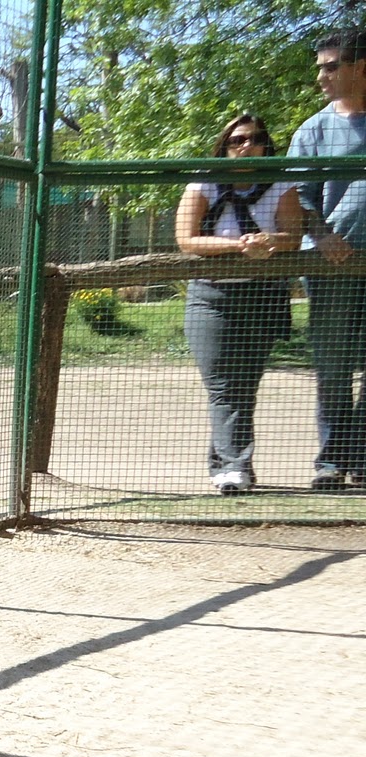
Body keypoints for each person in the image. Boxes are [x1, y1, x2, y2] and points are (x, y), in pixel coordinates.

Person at [174, 113, 302, 495]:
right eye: (238, 140)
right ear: (225, 146)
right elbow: (186, 239)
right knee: (222, 385)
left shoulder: (281, 183)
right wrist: (240, 246)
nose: (247, 145)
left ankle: (224, 464)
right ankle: (236, 467)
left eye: (256, 138)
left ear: (267, 145)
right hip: (209, 297)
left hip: (263, 295)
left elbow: (293, 236)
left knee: (244, 385)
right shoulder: (204, 181)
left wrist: (271, 242)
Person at [289, 28, 366, 490]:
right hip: (333, 267)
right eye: (320, 66)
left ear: (361, 67)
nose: (321, 76)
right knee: (334, 365)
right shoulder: (314, 130)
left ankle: (362, 456)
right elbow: (299, 196)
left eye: (330, 66)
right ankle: (332, 462)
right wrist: (322, 236)